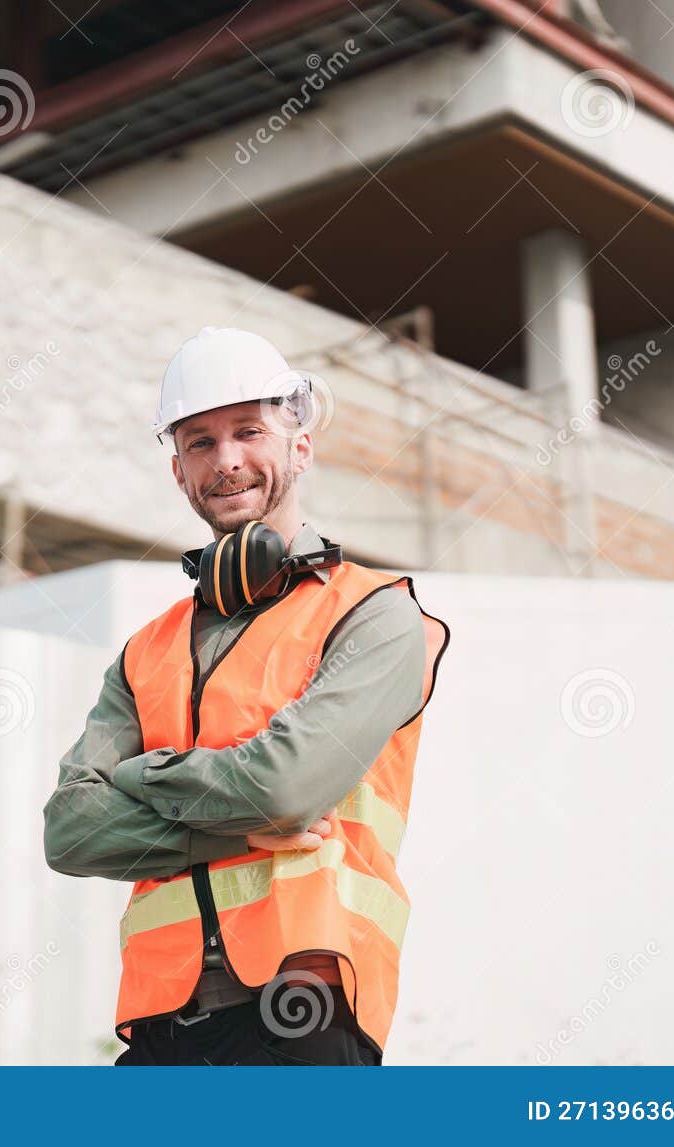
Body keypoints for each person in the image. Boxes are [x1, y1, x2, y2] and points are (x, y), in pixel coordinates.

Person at [42, 326, 449, 1065]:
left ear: (300, 447)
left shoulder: (374, 612)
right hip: (163, 1031)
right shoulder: (147, 650)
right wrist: (233, 831)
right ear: (178, 472)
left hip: (303, 1019)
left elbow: (285, 789)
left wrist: (140, 775)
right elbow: (70, 832)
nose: (226, 460)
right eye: (199, 442)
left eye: (248, 432)